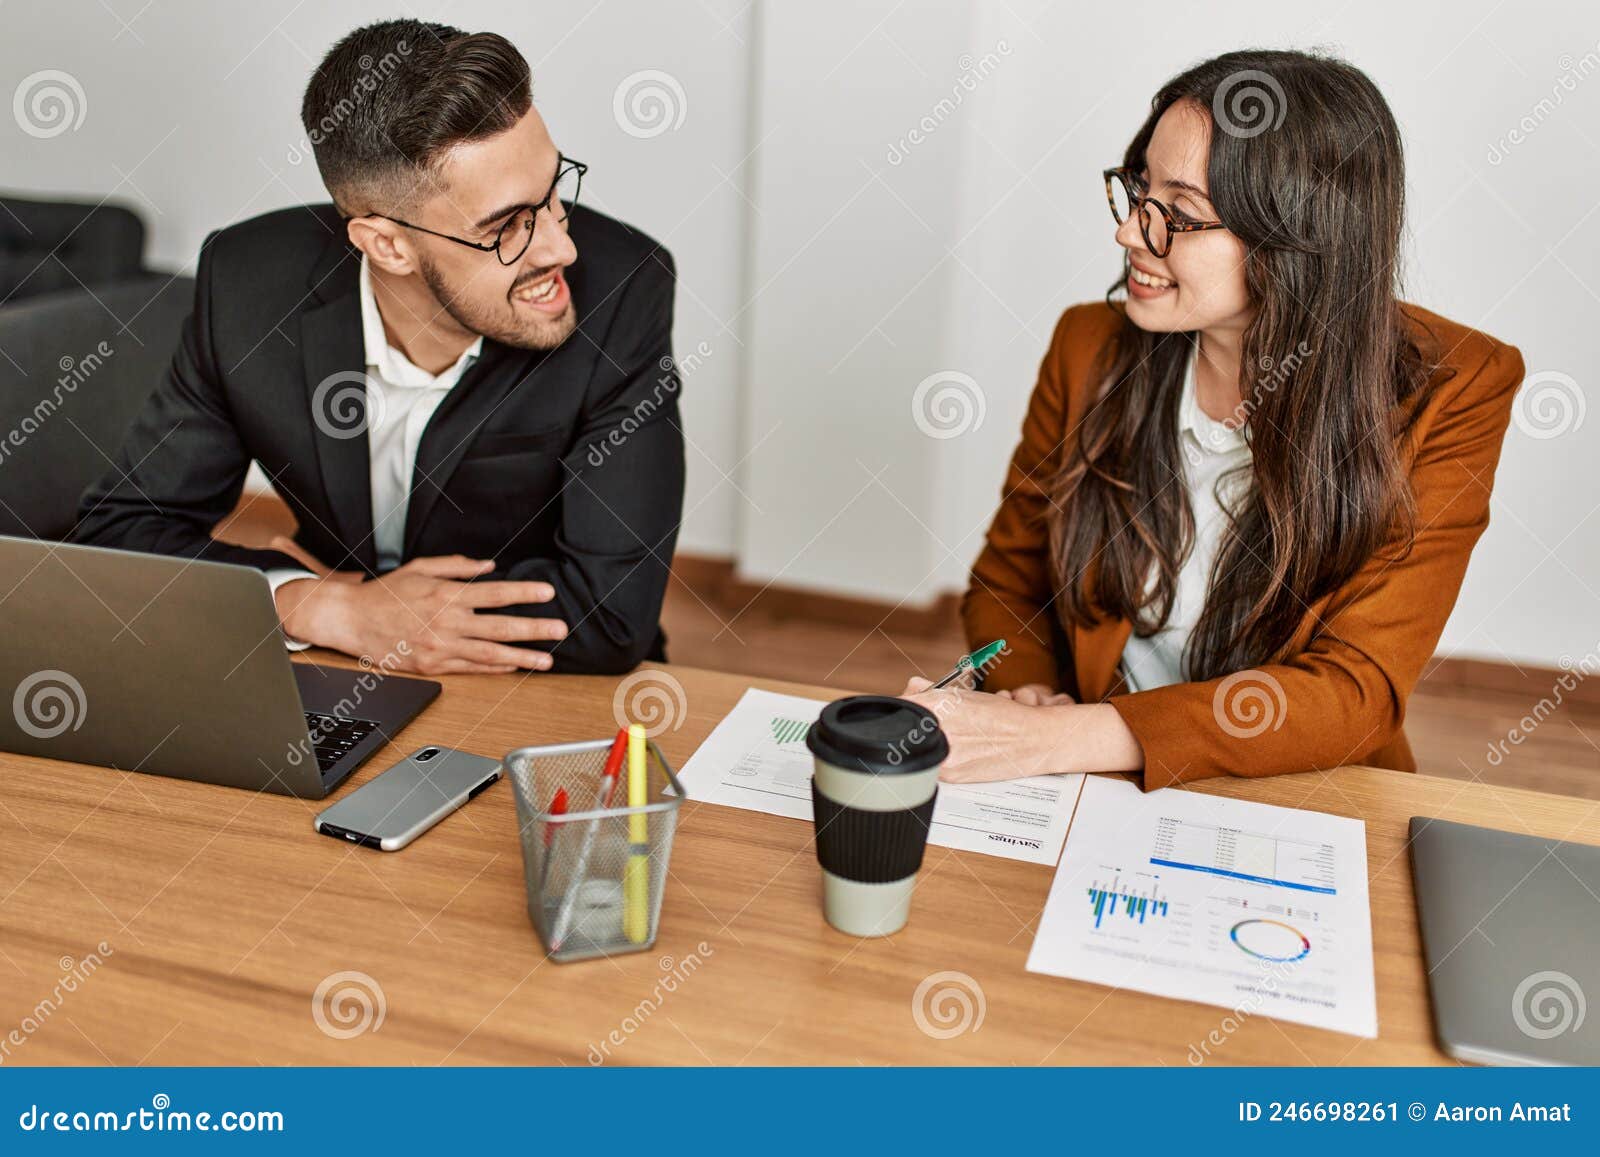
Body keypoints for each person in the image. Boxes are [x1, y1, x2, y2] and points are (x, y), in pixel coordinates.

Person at [905, 49, 1525, 790]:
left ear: (1301, 243)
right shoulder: (1088, 347)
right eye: (1138, 191)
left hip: (1300, 789)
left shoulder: (1455, 388)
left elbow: (1353, 691)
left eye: (1182, 215)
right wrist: (1033, 697)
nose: (1131, 234)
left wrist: (1056, 735)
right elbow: (1010, 579)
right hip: (1101, 778)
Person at [73, 19, 685, 676]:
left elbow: (613, 612)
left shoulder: (623, 287)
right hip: (327, 666)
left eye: (554, 191)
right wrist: (325, 609)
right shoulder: (245, 284)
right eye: (508, 226)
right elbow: (121, 535)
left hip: (544, 684)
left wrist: (383, 617)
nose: (560, 247)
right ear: (386, 245)